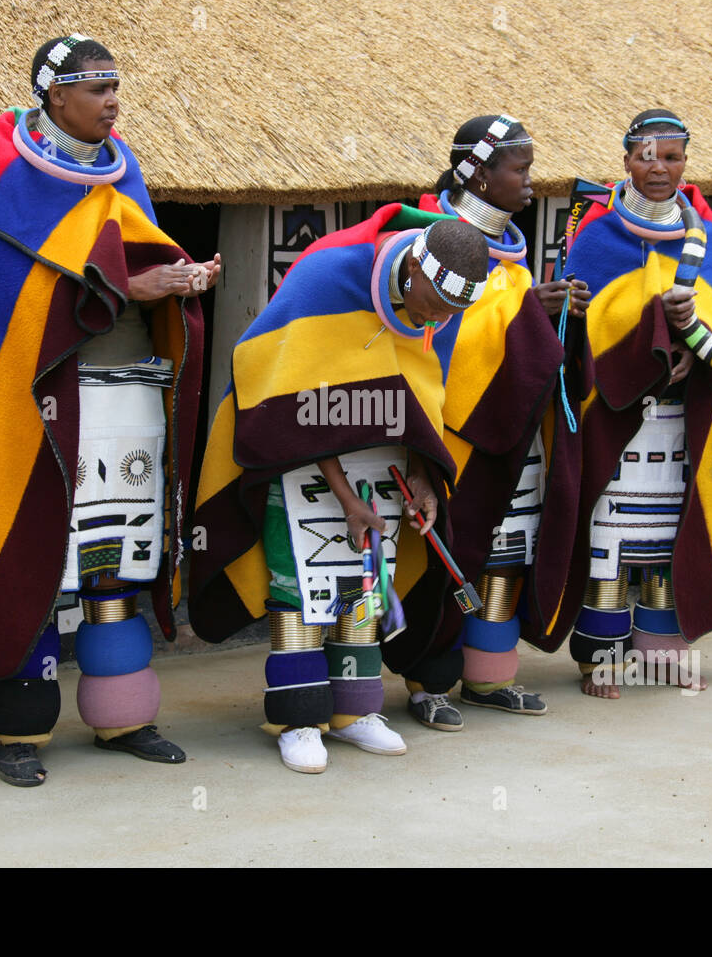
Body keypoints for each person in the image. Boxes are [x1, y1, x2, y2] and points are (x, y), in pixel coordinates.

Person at [0, 34, 219, 785]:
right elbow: (30, 300)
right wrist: (133, 286)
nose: (113, 100)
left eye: (116, 85)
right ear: (55, 96)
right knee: (39, 556)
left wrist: (177, 280)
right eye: (96, 87)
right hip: (46, 403)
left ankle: (125, 720)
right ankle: (19, 735)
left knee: (119, 556)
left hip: (129, 393)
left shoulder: (125, 167)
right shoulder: (16, 176)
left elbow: (132, 256)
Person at [190, 209, 490, 773]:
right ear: (413, 270)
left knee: (362, 593)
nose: (438, 318)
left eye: (452, 312)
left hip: (382, 470)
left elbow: (418, 405)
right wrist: (345, 497)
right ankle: (298, 719)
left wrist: (421, 476)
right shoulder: (330, 274)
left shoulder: (429, 311)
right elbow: (286, 394)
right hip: (301, 464)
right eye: (435, 304)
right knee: (302, 590)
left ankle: (355, 714)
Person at [558, 108, 712, 698]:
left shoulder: (703, 233)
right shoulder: (596, 232)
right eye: (647, 156)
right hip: (617, 416)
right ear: (626, 159)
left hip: (680, 414)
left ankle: (661, 652)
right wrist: (642, 337)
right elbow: (581, 323)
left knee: (671, 533)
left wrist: (693, 340)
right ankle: (600, 660)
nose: (659, 168)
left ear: (684, 162)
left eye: (671, 157)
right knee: (609, 537)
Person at [401, 114, 591, 730]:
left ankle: (489, 677)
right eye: (521, 170)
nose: (531, 182)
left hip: (513, 426)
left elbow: (510, 322)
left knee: (505, 552)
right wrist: (524, 311)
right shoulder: (427, 238)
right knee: (449, 557)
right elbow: (426, 328)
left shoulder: (510, 245)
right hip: (454, 428)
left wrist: (553, 317)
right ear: (480, 175)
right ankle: (427, 682)